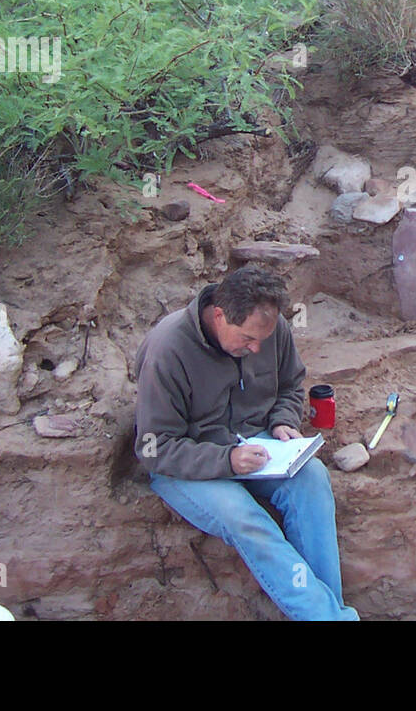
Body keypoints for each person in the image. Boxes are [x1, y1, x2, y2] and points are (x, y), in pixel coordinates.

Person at [134, 265, 358, 621]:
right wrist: (227, 461)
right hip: (187, 464)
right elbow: (154, 448)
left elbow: (289, 385)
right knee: (244, 517)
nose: (256, 349)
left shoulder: (269, 328)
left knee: (313, 479)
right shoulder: (168, 349)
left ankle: (325, 613)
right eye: (247, 340)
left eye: (262, 341)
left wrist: (283, 421)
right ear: (219, 315)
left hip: (257, 444)